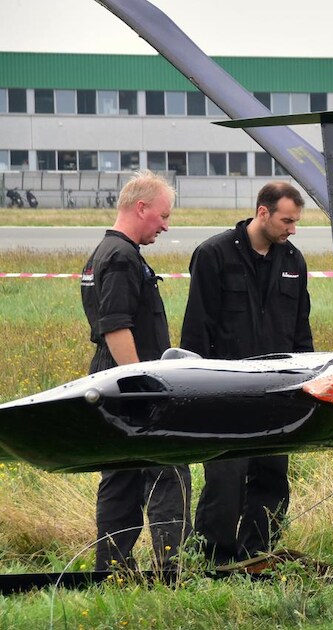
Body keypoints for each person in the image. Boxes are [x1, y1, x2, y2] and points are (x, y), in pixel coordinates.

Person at [180, 181, 313, 566]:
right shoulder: (213, 255)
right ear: (262, 212)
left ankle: (257, 557)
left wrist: (305, 382)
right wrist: (198, 390)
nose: (292, 228)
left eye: (296, 221)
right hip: (226, 392)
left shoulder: (293, 261)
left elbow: (300, 328)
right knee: (226, 480)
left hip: (278, 389)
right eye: (287, 220)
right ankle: (213, 560)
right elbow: (196, 329)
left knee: (272, 479)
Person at [80, 170, 191, 573]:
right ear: (141, 207)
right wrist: (140, 383)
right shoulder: (123, 257)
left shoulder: (103, 252)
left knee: (122, 478)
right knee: (168, 471)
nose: (166, 224)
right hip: (130, 384)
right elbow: (115, 325)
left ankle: (110, 571)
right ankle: (171, 571)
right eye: (163, 215)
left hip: (110, 382)